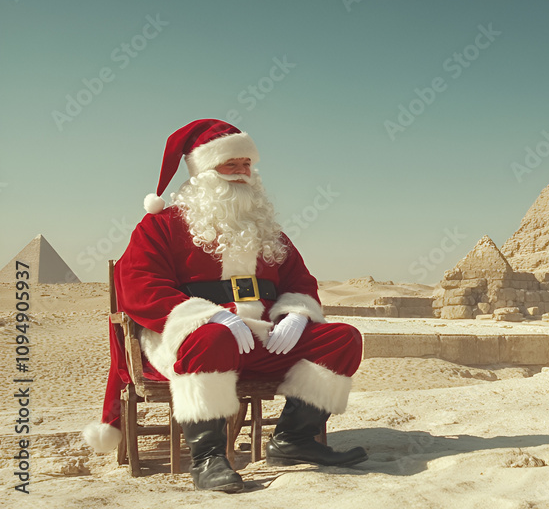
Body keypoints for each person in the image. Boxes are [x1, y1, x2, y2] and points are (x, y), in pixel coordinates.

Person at [84, 119, 366, 492]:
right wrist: (210, 315)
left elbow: (299, 280)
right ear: (203, 171)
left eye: (246, 165)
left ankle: (294, 441)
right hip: (194, 341)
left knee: (343, 339)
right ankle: (208, 459)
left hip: (261, 340)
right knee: (213, 338)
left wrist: (297, 313)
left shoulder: (269, 230)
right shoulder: (161, 227)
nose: (241, 173)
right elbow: (140, 286)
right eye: (230, 165)